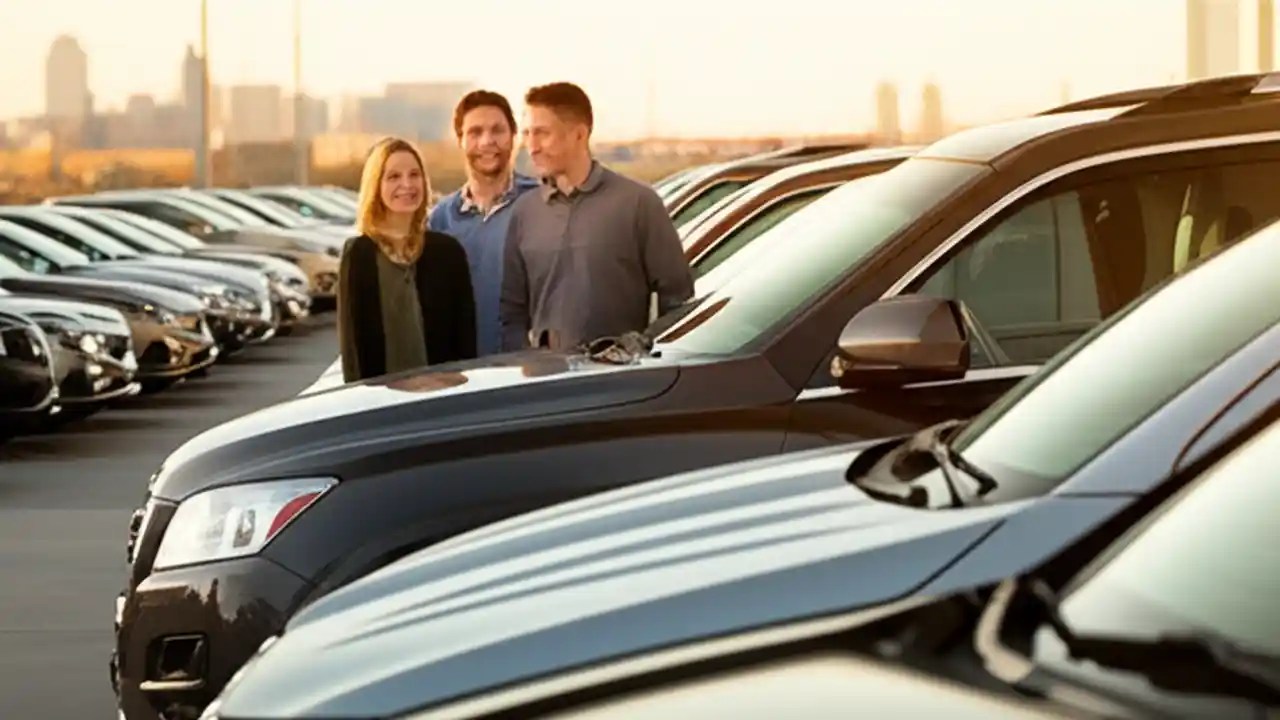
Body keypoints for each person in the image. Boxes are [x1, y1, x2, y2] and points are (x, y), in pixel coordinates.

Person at [499, 82, 694, 353]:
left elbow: (678, 300)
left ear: (580, 134)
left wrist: (642, 347)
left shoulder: (637, 202)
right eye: (527, 133)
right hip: (547, 383)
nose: (531, 146)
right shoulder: (524, 213)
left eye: (542, 133)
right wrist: (526, 360)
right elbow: (512, 311)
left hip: (619, 382)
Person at [338, 136, 476, 383]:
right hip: (384, 406)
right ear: (376, 186)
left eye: (414, 175)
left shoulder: (448, 252)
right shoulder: (359, 254)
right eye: (393, 177)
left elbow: (465, 344)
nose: (407, 184)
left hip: (443, 400)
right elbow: (353, 349)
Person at [429, 90, 539, 356]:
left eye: (497, 130)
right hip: (467, 378)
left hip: (530, 375)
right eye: (475, 132)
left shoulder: (542, 203)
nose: (487, 141)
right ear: (460, 140)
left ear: (514, 137)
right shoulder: (441, 219)